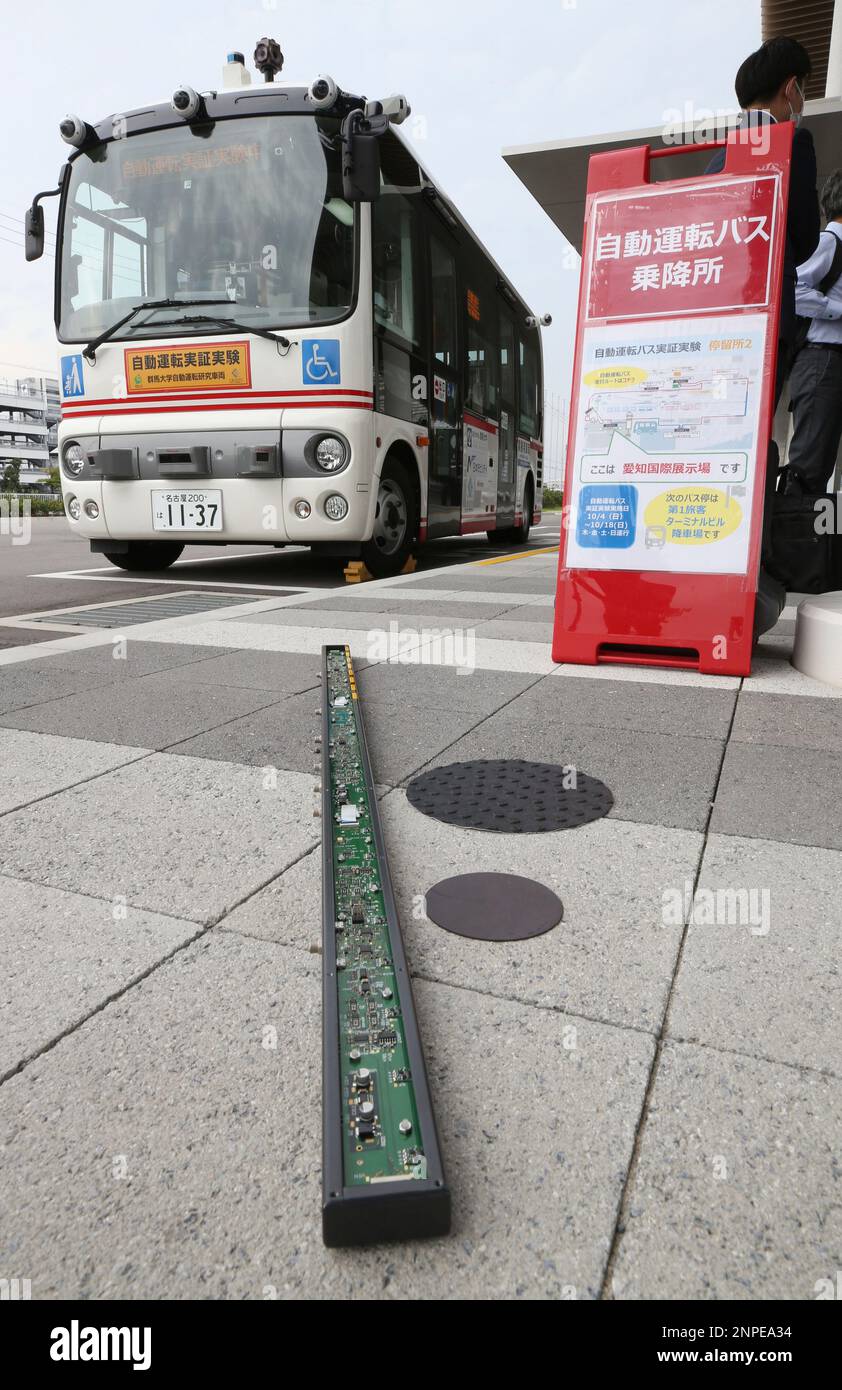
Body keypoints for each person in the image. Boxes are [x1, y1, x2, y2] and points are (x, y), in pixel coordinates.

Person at [706, 37, 820, 628]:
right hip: (772, 320)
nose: (802, 98)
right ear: (788, 88)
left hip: (720, 320)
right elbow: (804, 235)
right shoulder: (792, 138)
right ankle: (754, 573)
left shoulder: (717, 153)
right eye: (801, 86)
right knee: (759, 442)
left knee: (724, 441)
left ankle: (713, 566)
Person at [784, 169, 842, 494]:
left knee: (822, 464)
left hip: (830, 363)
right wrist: (837, 311)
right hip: (822, 361)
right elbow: (793, 290)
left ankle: (818, 540)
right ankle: (796, 541)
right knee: (811, 466)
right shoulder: (827, 242)